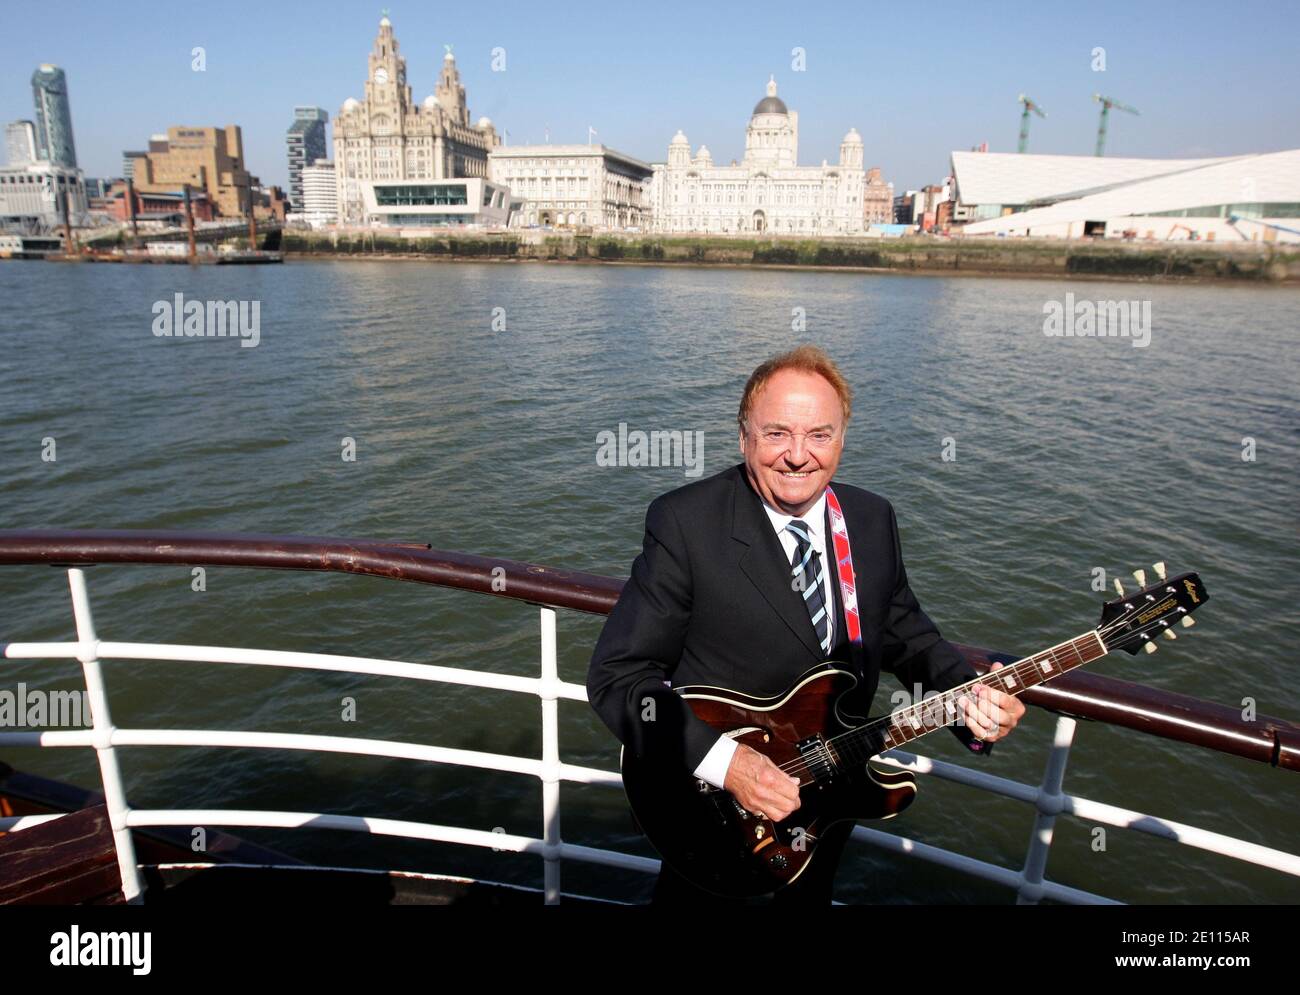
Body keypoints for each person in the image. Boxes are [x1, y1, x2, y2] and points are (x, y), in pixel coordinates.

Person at [586, 345, 1025, 905]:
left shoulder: (870, 519)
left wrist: (972, 696)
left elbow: (903, 631)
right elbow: (619, 677)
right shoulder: (687, 522)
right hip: (712, 811)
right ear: (743, 436)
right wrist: (728, 763)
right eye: (776, 434)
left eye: (819, 434)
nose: (798, 456)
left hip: (827, 803)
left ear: (843, 438)